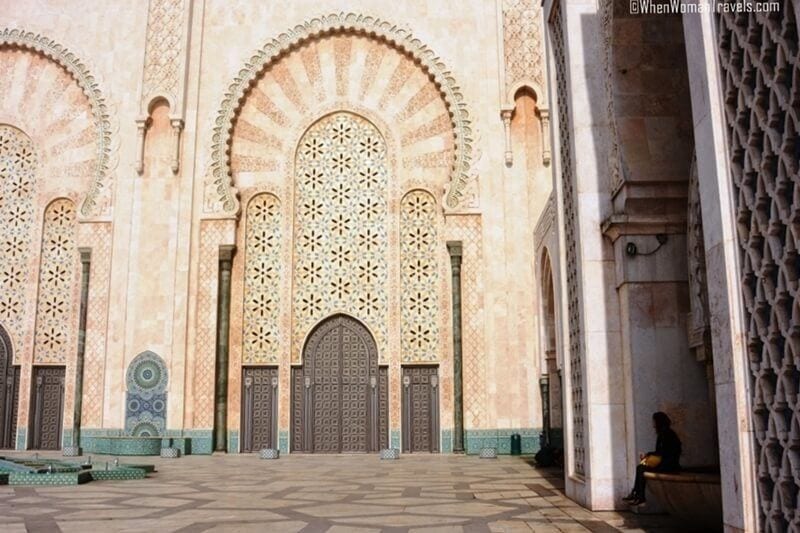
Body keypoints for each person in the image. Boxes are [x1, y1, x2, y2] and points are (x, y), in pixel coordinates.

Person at [623, 411, 682, 505]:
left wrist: (650, 456)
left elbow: (666, 452)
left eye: (654, 422)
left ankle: (639, 495)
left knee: (641, 469)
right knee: (640, 467)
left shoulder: (668, 434)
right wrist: (648, 455)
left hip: (669, 465)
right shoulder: (663, 434)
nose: (653, 425)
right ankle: (637, 494)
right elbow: (659, 452)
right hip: (664, 462)